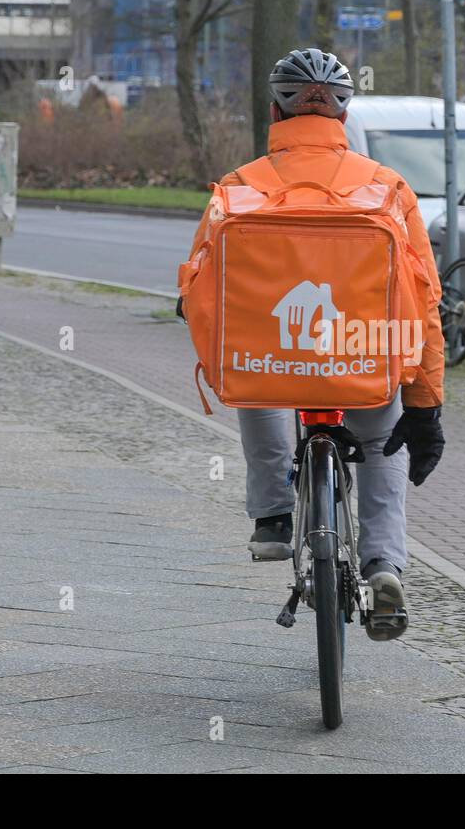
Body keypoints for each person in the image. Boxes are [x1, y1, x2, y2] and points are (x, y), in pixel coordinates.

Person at [181, 48, 446, 640]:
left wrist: (219, 353)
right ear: (343, 117)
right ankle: (383, 566)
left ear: (275, 111)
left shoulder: (239, 187)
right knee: (383, 439)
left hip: (274, 364)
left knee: (254, 370)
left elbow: (203, 294)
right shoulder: (386, 189)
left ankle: (273, 516)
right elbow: (425, 300)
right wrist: (425, 401)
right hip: (362, 360)